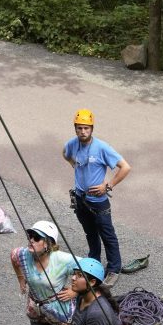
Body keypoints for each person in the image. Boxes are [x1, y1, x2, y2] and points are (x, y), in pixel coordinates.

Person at [62, 109, 131, 286]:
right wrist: (75, 166)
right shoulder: (72, 144)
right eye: (79, 128)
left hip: (98, 202)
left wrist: (107, 186)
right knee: (90, 233)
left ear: (92, 128)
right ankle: (93, 263)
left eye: (86, 128)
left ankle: (114, 269)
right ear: (75, 129)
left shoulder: (101, 148)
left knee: (107, 235)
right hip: (80, 199)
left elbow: (125, 167)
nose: (83, 132)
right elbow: (65, 153)